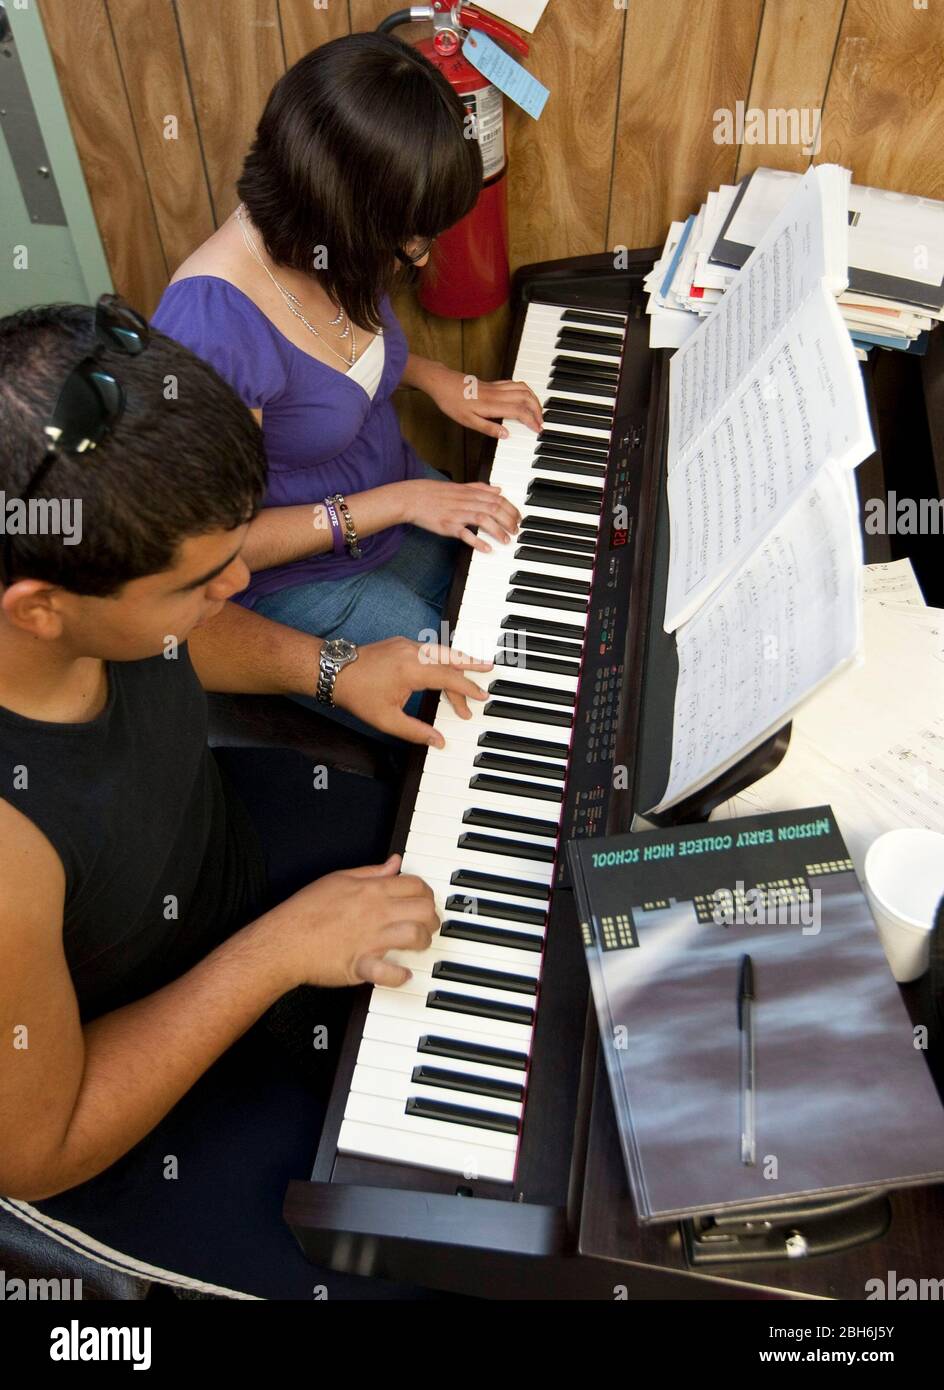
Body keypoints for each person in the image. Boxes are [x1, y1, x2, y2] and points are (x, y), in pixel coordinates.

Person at [0, 298, 493, 1299]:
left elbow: (176, 632)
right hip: (131, 1105)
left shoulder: (98, 604)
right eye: (197, 578)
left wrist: (328, 667)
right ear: (40, 609)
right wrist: (276, 954)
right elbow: (40, 1146)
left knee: (508, 897)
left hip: (224, 864)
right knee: (447, 1262)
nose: (239, 580)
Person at [151, 33, 541, 725]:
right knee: (489, 700)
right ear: (345, 217)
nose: (419, 258)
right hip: (288, 581)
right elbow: (217, 549)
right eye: (408, 237)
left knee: (533, 596)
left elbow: (334, 365)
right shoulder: (211, 327)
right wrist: (399, 502)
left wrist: (434, 377)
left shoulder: (328, 251)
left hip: (394, 500)